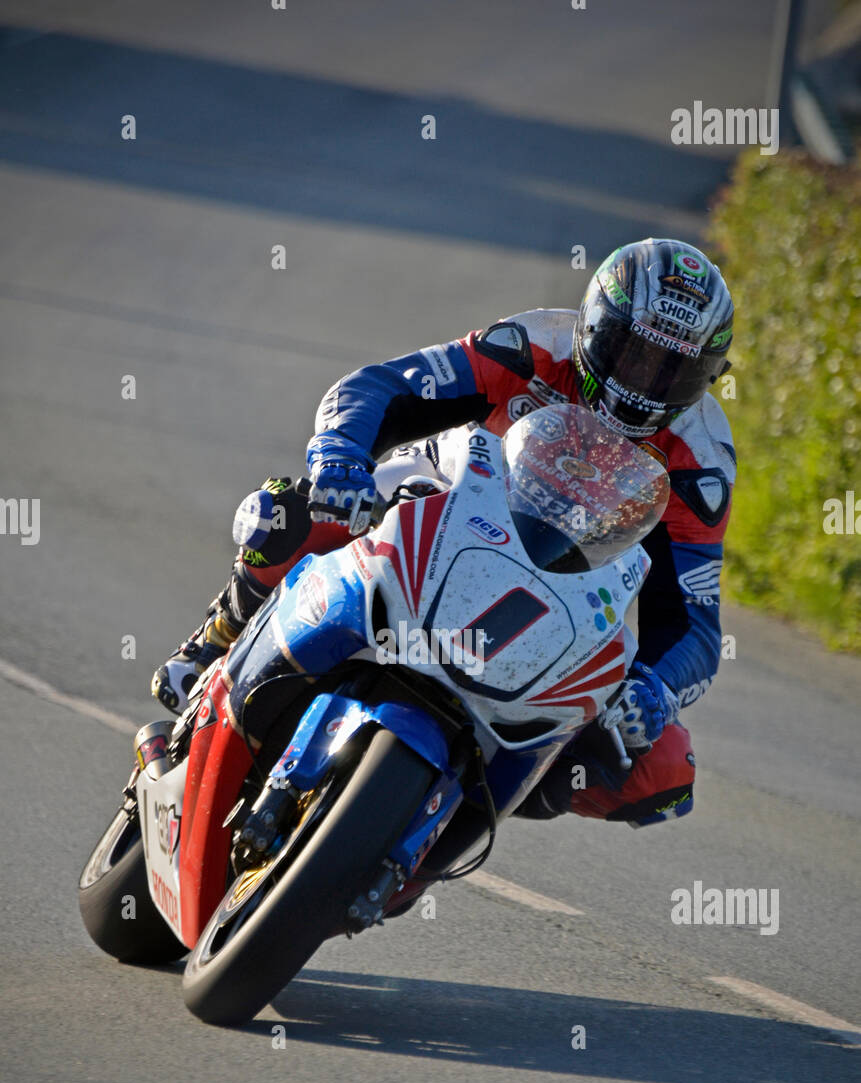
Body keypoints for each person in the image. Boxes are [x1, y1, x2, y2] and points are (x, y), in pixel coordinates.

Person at [153, 238, 735, 829]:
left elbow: (694, 623)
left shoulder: (701, 462)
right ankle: (216, 637)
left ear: (708, 377)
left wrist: (657, 689)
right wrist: (342, 455)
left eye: (674, 372)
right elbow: (381, 386)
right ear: (593, 329)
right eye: (632, 355)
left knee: (660, 769)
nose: (645, 386)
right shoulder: (533, 345)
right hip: (455, 500)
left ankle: (457, 816)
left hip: (568, 594)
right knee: (289, 512)